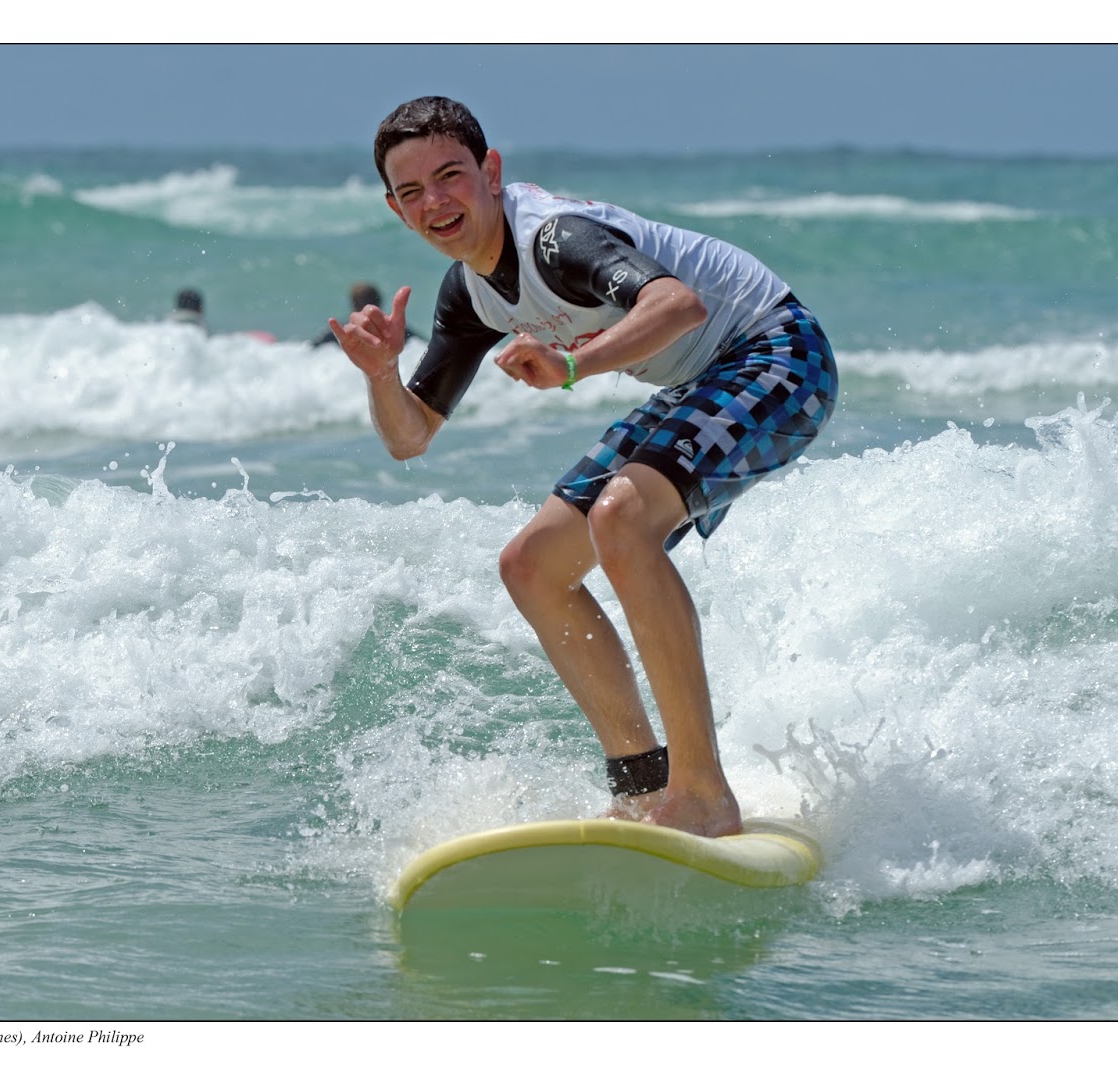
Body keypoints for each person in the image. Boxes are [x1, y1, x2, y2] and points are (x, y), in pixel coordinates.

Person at [326, 96, 837, 838]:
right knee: (530, 563)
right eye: (412, 192)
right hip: (699, 383)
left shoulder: (556, 240)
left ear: (491, 171)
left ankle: (702, 793)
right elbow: (411, 439)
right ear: (395, 208)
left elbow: (678, 303)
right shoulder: (469, 292)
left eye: (450, 175)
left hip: (780, 353)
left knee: (621, 519)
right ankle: (641, 785)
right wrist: (381, 375)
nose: (435, 202)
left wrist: (570, 364)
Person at [314, 282, 419, 347]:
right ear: (379, 303)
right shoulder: (397, 331)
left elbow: (310, 350)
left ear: (353, 304)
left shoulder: (337, 332)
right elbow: (425, 346)